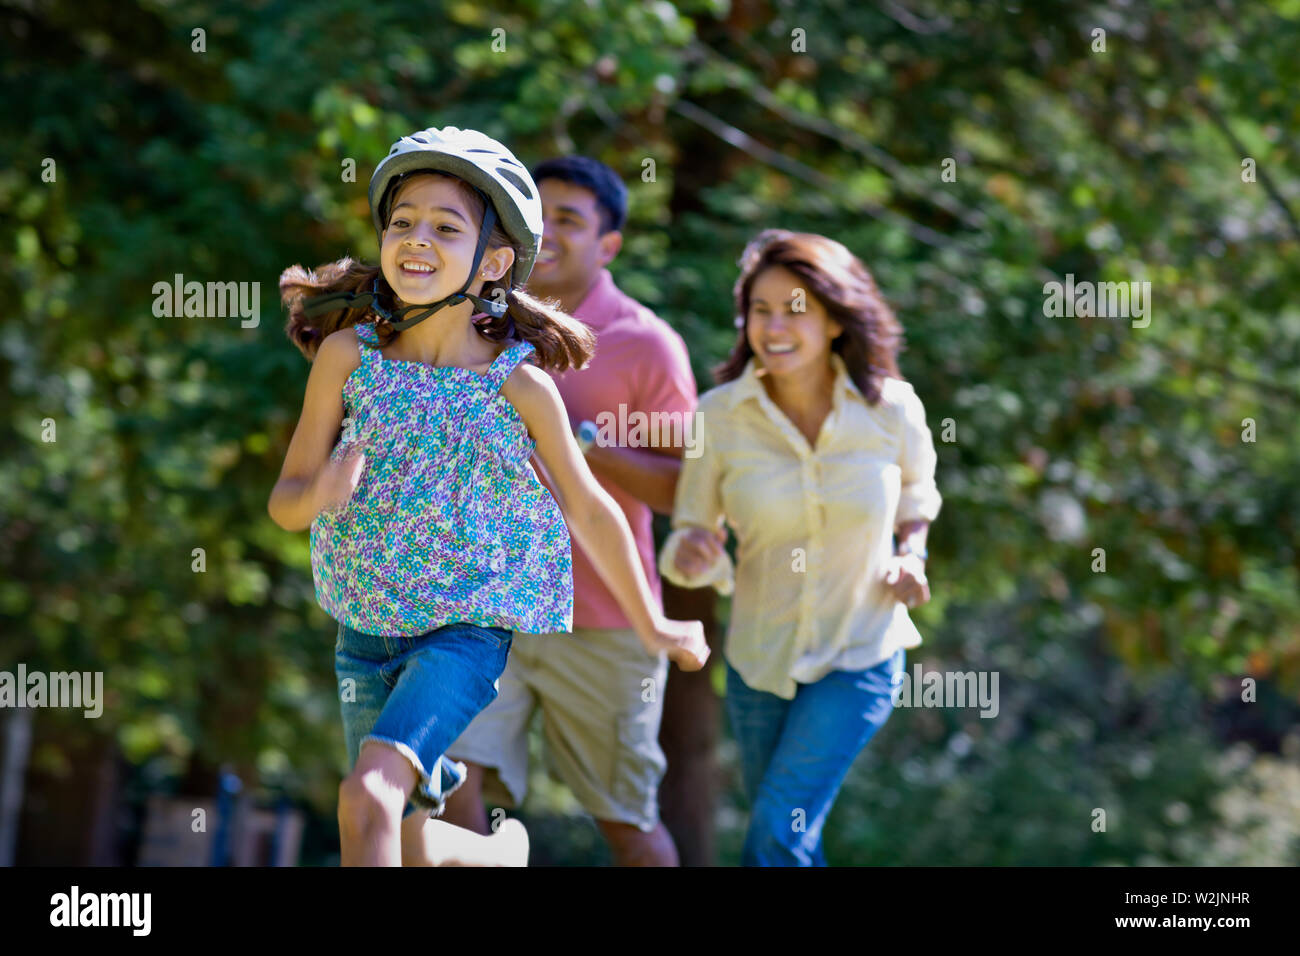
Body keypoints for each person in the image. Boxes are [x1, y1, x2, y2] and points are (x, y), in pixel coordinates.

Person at [267, 127, 708, 867]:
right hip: (365, 631)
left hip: (467, 634)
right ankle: (493, 854)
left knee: (366, 797)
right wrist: (320, 493)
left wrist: (656, 625)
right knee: (407, 834)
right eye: (402, 222)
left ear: (494, 263)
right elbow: (284, 500)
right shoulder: (348, 359)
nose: (416, 239)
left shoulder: (520, 385)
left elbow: (591, 510)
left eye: (446, 227)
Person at [443, 156, 699, 866]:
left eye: (571, 220)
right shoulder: (472, 321)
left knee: (626, 822)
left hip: (604, 620)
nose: (548, 232)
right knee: (449, 783)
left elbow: (685, 490)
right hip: (483, 606)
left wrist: (581, 446)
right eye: (537, 215)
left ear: (608, 244)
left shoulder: (647, 344)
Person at [659, 229, 942, 866]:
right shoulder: (719, 417)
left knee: (776, 836)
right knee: (790, 834)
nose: (773, 326)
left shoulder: (890, 410)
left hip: (860, 653)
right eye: (760, 309)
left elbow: (918, 495)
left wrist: (911, 554)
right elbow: (688, 530)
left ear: (837, 320)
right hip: (762, 663)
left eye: (796, 310)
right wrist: (698, 549)